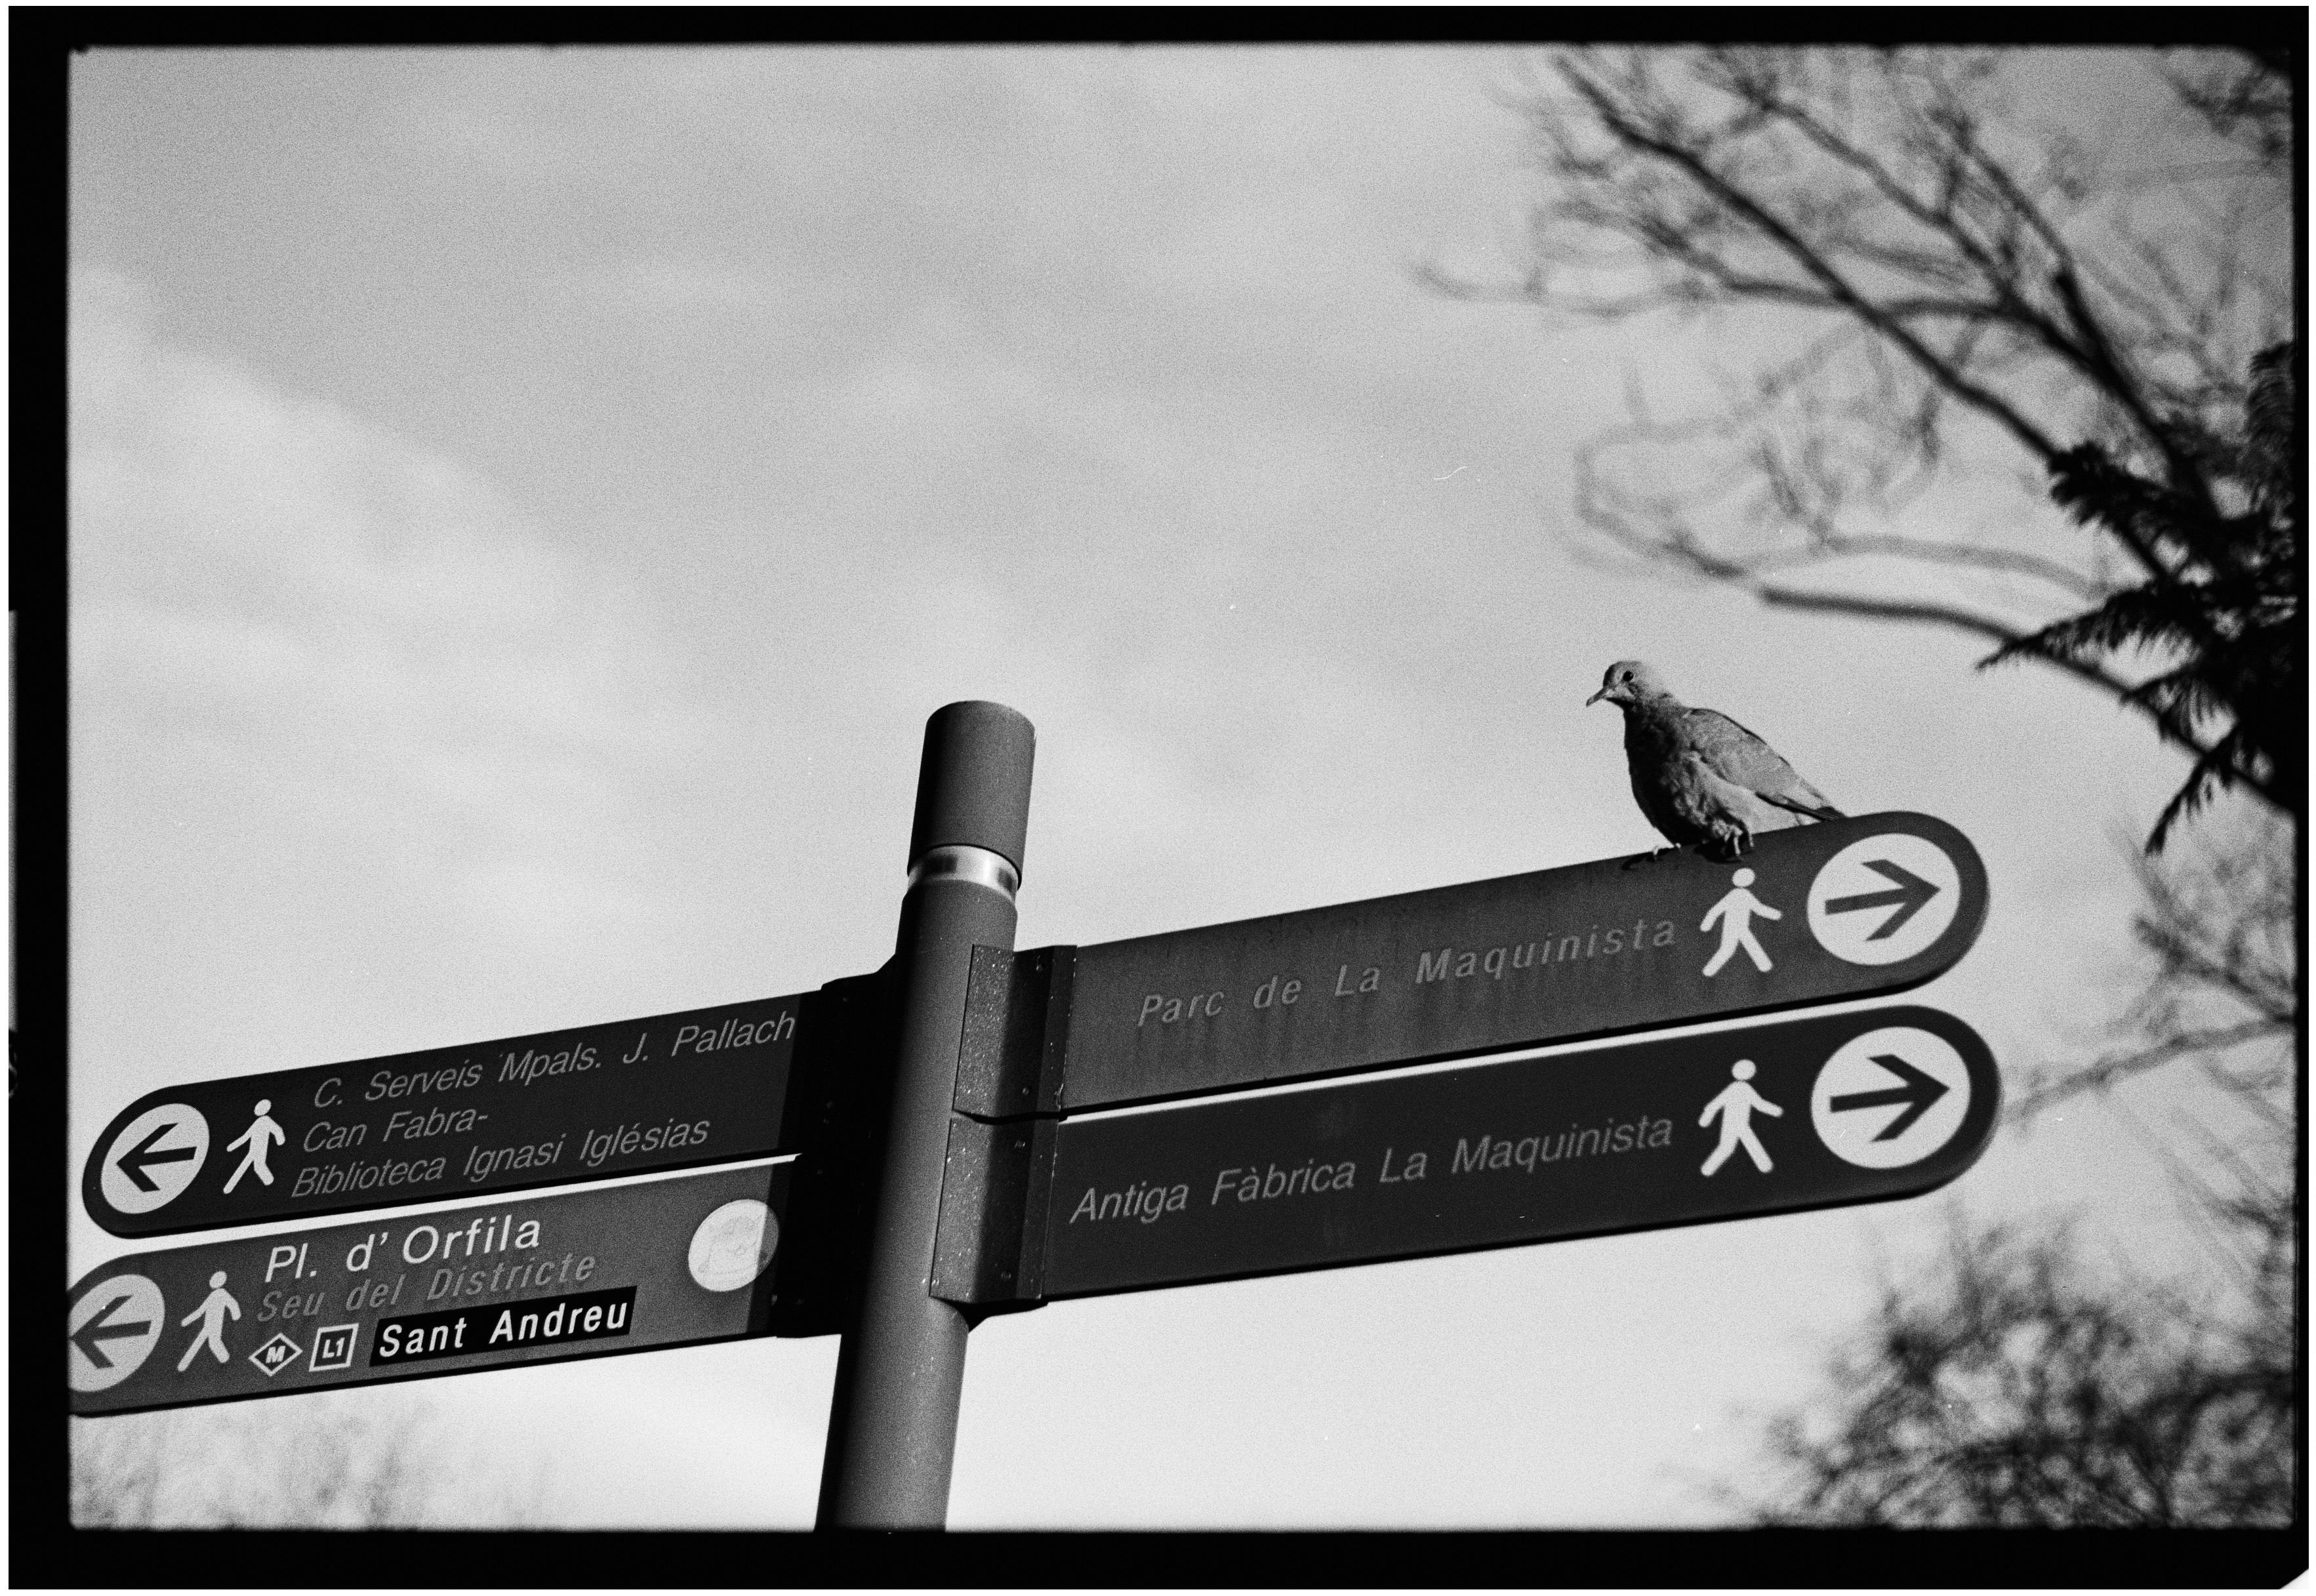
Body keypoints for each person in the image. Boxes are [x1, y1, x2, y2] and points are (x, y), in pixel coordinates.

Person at [1698, 1059, 1782, 1176]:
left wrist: (1775, 1111)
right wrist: (1776, 1111)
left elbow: (1758, 1104)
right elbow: (1758, 1104)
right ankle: (1707, 1170)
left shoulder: (1741, 1088)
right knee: (1735, 1146)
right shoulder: (1739, 1088)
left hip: (1737, 1123)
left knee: (1734, 1146)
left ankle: (1707, 1170)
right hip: (1734, 1123)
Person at [1700, 868, 1781, 977]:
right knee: (1731, 949)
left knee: (1742, 946)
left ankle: (1764, 965)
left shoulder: (1737, 894)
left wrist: (1707, 924)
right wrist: (1775, 915)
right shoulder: (1742, 895)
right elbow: (1758, 909)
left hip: (1737, 926)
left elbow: (1716, 910)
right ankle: (1709, 971)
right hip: (1736, 927)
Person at [176, 1270, 239, 1372]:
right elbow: (201, 1311)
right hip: (208, 1325)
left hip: (215, 1324)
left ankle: (226, 1361)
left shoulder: (222, 1293)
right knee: (200, 1343)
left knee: (212, 1342)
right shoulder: (212, 1296)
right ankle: (183, 1366)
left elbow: (233, 1304)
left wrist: (236, 1316)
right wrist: (187, 1321)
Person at [222, 1099, 285, 1193]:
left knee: (254, 1166)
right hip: (253, 1150)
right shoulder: (257, 1122)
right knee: (254, 1166)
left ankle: (271, 1184)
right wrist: (232, 1146)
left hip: (260, 1148)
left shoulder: (266, 1120)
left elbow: (277, 1130)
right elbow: (246, 1137)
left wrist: (280, 1140)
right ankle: (270, 1183)